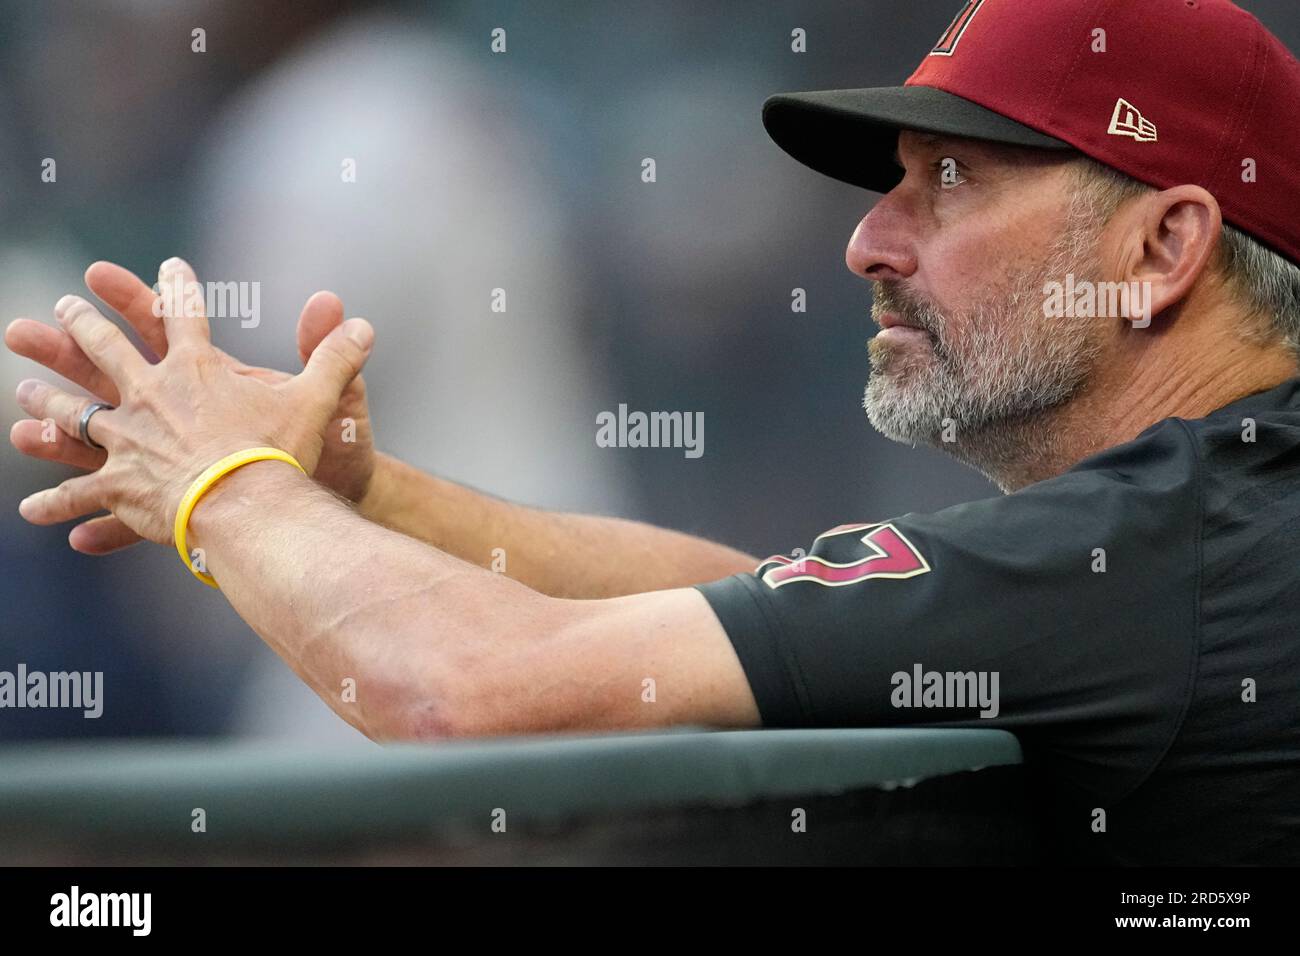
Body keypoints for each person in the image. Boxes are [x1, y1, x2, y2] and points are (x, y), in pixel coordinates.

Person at [8, 0, 1299, 863]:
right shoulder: (1188, 519)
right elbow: (751, 607)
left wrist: (222, 480)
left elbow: (465, 700)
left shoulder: (1170, 535)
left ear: (1163, 247)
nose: (866, 242)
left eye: (946, 189)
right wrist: (359, 489)